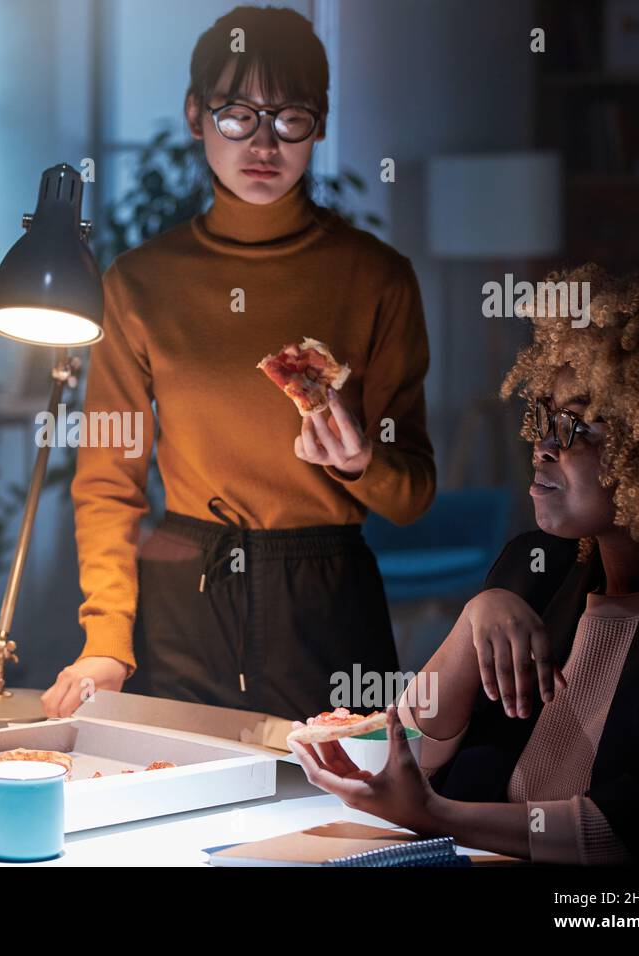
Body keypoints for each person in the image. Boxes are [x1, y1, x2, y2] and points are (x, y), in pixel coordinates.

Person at [43, 6, 434, 719]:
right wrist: (107, 640)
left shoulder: (378, 277)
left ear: (319, 123)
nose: (263, 141)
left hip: (329, 596)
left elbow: (412, 496)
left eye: (290, 117)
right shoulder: (138, 283)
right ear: (196, 115)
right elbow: (108, 485)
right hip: (186, 591)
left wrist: (357, 463)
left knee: (347, 818)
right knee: (178, 806)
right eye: (236, 114)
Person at [291, 265, 639, 864]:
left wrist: (432, 816)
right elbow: (398, 754)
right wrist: (472, 621)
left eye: (576, 427)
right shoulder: (537, 568)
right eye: (542, 417)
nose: (543, 445)